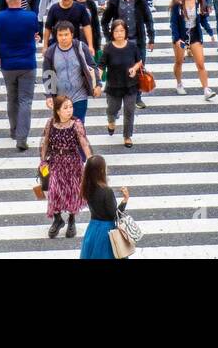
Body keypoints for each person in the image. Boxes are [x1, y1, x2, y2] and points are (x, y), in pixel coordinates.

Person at [40, 93, 92, 239]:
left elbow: (84, 143)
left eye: (70, 107)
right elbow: (45, 143)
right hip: (56, 162)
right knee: (54, 191)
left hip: (73, 163)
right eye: (65, 108)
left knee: (72, 192)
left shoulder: (76, 124)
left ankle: (71, 220)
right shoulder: (51, 123)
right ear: (57, 110)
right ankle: (57, 219)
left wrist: (91, 161)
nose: (69, 110)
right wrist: (43, 160)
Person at [0, 0, 41, 151]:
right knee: (25, 101)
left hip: (8, 64)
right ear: (21, 0)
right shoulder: (30, 17)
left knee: (11, 97)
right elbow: (35, 33)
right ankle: (22, 137)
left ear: (7, 0)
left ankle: (14, 129)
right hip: (27, 63)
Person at [170, 0, 216, 100]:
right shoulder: (178, 2)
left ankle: (206, 89)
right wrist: (176, 38)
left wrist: (210, 32)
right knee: (179, 61)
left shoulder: (199, 0)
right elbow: (173, 23)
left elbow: (203, 19)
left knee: (200, 63)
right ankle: (179, 83)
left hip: (195, 34)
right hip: (181, 35)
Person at [101, 18, 143, 147]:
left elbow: (139, 61)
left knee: (129, 110)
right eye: (116, 31)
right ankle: (111, 121)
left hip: (130, 84)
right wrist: (95, 79)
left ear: (126, 32)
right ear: (112, 33)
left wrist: (134, 69)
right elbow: (101, 65)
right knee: (112, 109)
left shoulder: (132, 46)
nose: (119, 34)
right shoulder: (108, 48)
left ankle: (127, 136)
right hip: (113, 85)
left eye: (122, 31)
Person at [80, 156, 130, 259]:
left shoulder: (87, 187)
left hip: (93, 228)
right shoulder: (106, 191)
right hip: (106, 231)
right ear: (101, 170)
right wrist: (125, 200)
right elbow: (114, 215)